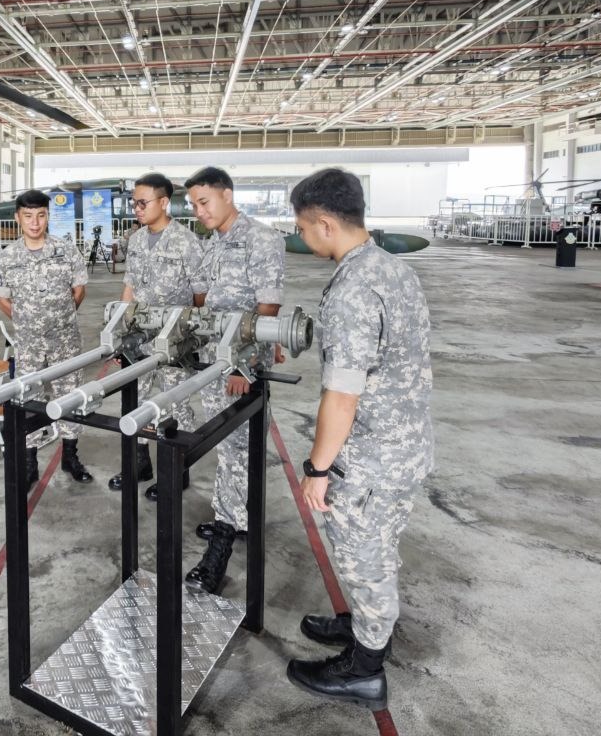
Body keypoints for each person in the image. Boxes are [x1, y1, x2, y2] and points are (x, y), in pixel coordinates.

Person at [283, 168, 434, 711]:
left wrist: (318, 469)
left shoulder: (352, 289)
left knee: (364, 558)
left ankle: (364, 670)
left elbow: (342, 397)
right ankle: (365, 627)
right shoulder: (392, 268)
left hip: (371, 457)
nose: (301, 236)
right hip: (404, 444)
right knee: (377, 548)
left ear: (325, 224)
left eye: (303, 227)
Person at [183, 166, 285, 594]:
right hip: (214, 362)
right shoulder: (214, 243)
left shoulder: (261, 239)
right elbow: (207, 301)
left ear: (227, 194)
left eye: (204, 202)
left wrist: (246, 365)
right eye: (193, 205)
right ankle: (235, 517)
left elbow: (268, 306)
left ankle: (220, 549)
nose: (199, 211)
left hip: (239, 368)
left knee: (237, 452)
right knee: (229, 451)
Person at [108, 173, 208, 498]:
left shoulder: (186, 242)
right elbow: (130, 286)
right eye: (133, 203)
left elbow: (200, 295)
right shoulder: (136, 240)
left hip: (174, 340)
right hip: (140, 339)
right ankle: (140, 463)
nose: (136, 208)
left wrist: (191, 334)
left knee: (174, 404)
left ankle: (177, 471)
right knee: (135, 400)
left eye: (142, 203)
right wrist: (120, 330)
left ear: (163, 202)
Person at [0, 189, 94, 487]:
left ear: (48, 216)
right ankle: (29, 462)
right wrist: (26, 321)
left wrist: (61, 318)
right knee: (29, 398)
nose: (35, 222)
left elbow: (78, 290)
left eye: (41, 215)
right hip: (29, 345)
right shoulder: (7, 258)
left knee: (70, 396)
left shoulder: (66, 251)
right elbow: (2, 298)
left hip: (65, 340)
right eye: (28, 216)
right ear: (17, 218)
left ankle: (70, 456)